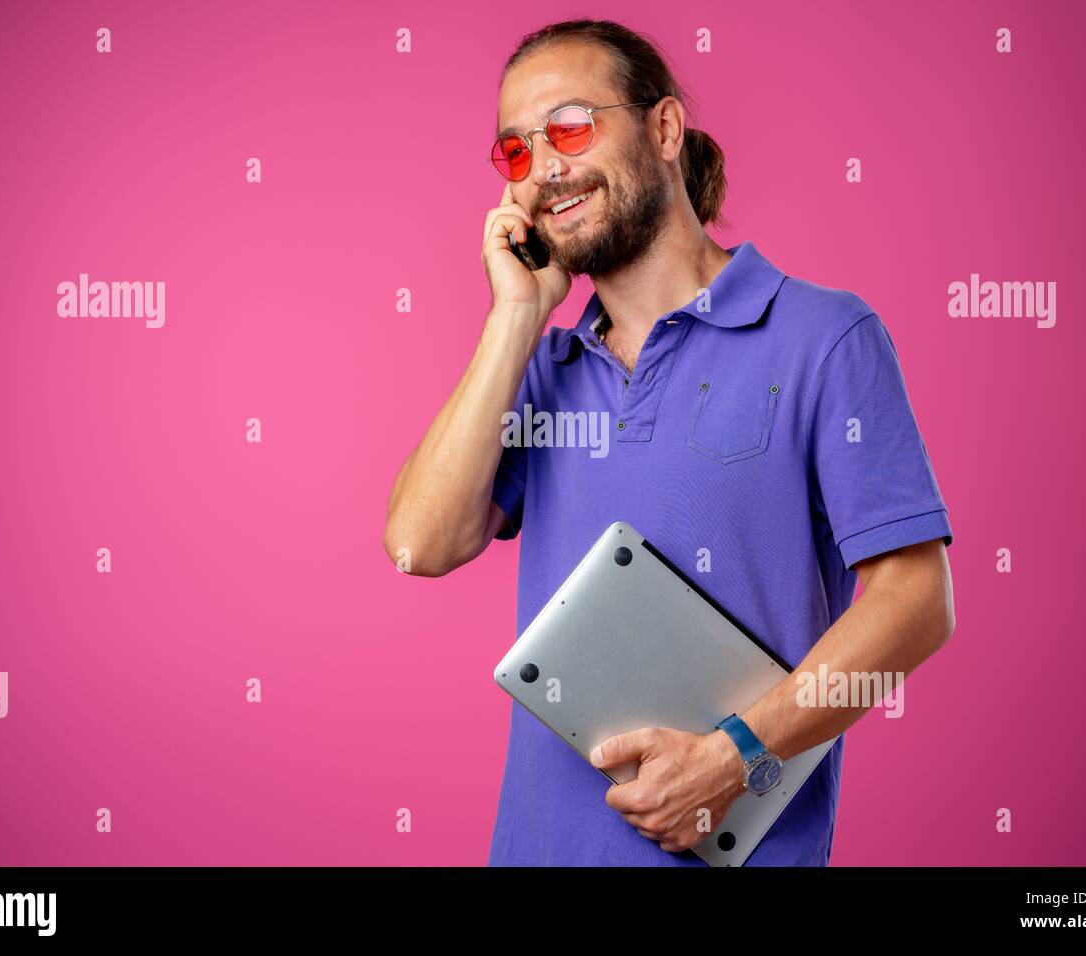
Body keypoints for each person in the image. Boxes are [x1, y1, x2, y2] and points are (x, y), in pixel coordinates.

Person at [383, 18, 955, 866]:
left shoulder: (825, 337)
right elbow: (419, 544)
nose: (544, 168)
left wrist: (737, 755)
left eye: (570, 127)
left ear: (664, 129)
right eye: (514, 152)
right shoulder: (544, 366)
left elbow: (918, 603)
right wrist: (517, 316)